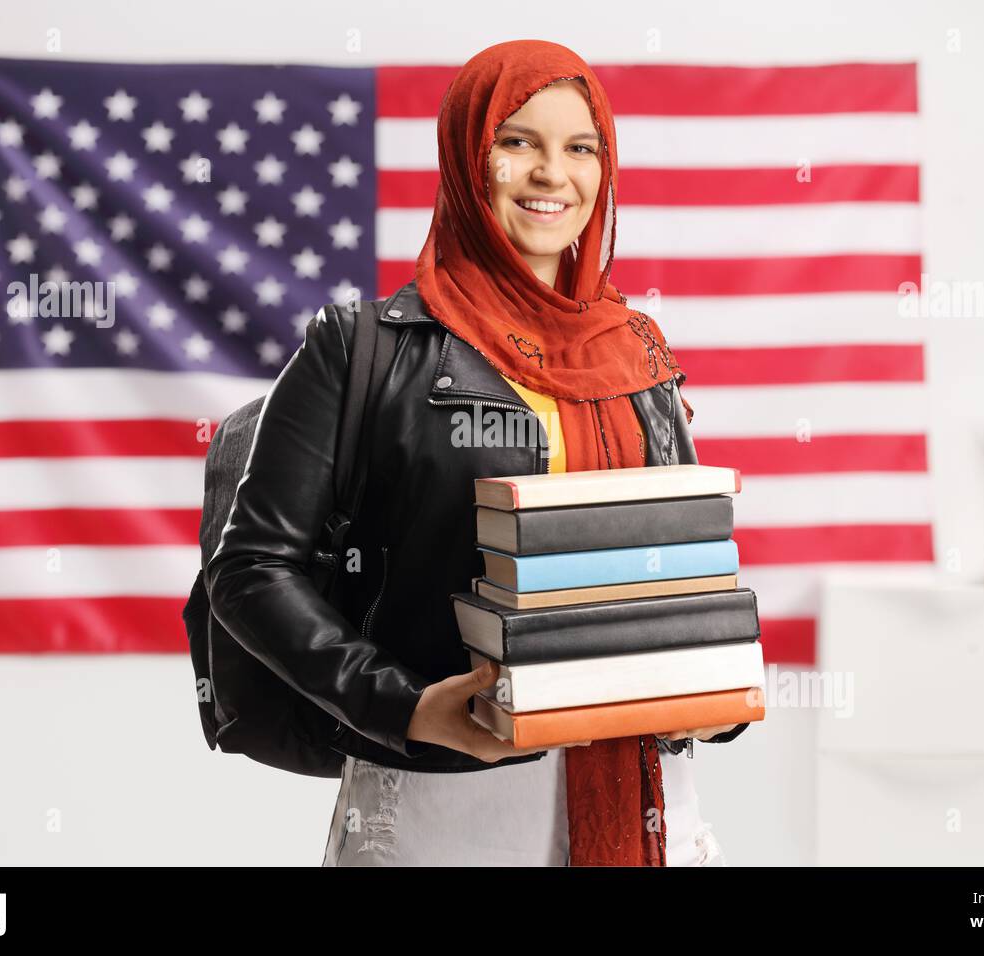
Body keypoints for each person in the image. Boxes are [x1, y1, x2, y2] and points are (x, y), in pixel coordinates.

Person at [208, 39, 748, 868]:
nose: (551, 175)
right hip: (439, 806)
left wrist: (711, 700)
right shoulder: (362, 348)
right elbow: (249, 571)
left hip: (640, 798)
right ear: (467, 157)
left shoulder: (638, 353)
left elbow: (674, 569)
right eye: (518, 141)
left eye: (580, 148)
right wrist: (406, 706)